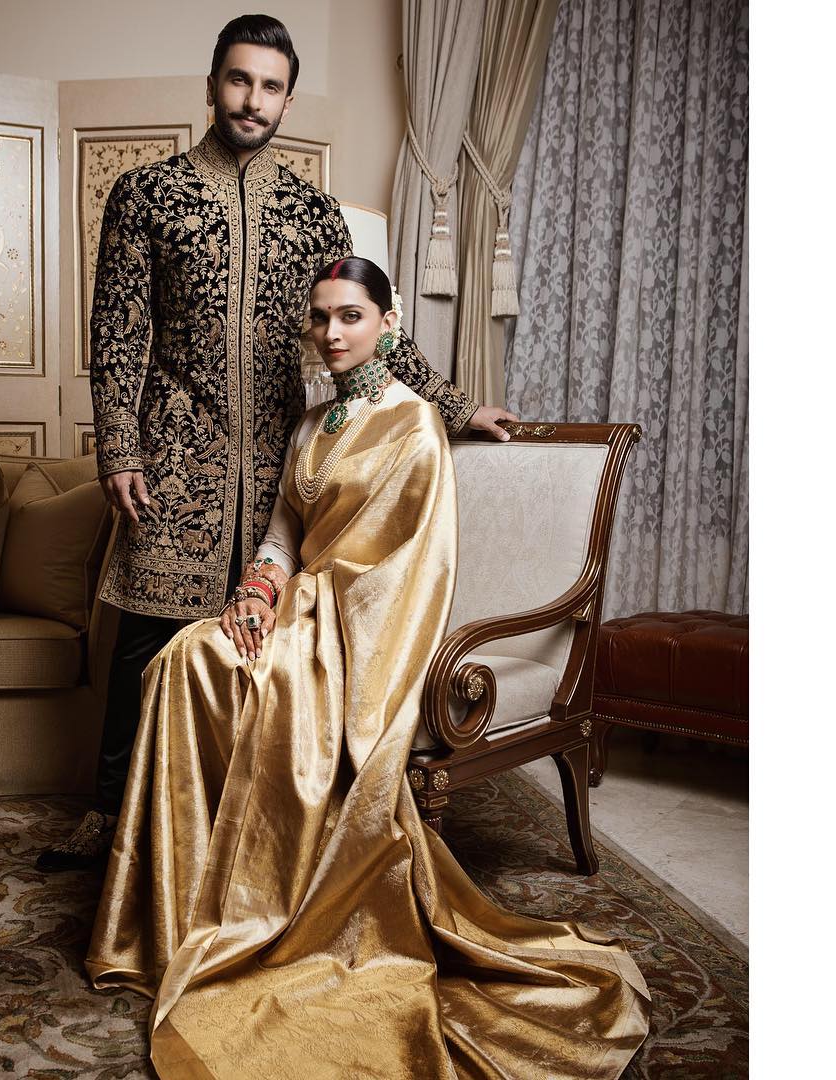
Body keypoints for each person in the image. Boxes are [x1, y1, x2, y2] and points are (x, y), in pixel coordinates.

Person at [85, 257, 651, 1078]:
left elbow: (408, 571)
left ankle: (277, 912)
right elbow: (285, 528)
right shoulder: (313, 422)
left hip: (368, 631)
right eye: (320, 318)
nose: (331, 333)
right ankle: (182, 916)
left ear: (388, 323)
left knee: (257, 678)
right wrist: (258, 590)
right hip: (300, 608)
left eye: (350, 316)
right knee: (186, 659)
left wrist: (309, 621)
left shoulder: (413, 424)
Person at [37, 14, 517, 870]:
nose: (252, 100)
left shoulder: (312, 212)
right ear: (212, 83)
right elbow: (117, 336)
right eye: (238, 80)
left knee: (258, 654)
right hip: (172, 460)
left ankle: (229, 826)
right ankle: (110, 816)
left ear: (287, 98)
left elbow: (372, 326)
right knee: (146, 643)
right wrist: (120, 449)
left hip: (279, 466)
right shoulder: (146, 195)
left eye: (269, 86)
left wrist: (454, 405)